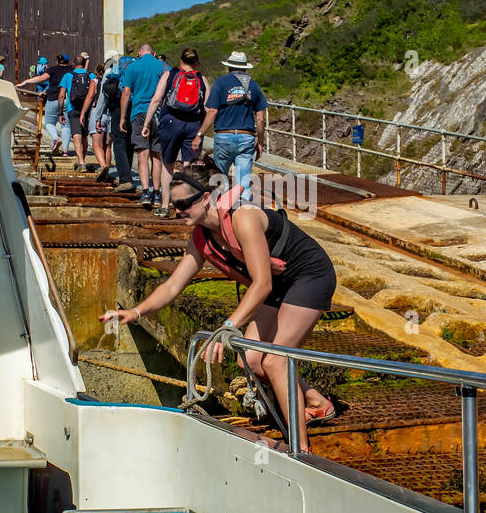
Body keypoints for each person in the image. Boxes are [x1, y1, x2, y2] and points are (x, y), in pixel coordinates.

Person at [100, 159, 337, 451]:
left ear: (205, 197)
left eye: (184, 203)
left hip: (308, 275)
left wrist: (229, 326)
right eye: (174, 204)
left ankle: (301, 451)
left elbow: (261, 284)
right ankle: (317, 402)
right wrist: (135, 312)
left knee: (275, 360)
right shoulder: (202, 239)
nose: (178, 210)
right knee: (249, 360)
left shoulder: (243, 218)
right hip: (278, 285)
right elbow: (174, 285)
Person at [194, 50, 267, 202]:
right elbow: (260, 118)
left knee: (221, 181)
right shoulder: (254, 86)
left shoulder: (221, 83)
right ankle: (242, 216)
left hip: (224, 137)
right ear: (246, 69)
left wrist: (200, 134)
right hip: (246, 137)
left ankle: (222, 218)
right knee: (244, 184)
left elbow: (212, 111)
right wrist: (260, 142)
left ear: (229, 68)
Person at [145, 47, 207, 217]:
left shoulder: (170, 74)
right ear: (196, 62)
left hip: (171, 122)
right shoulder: (201, 79)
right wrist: (202, 131)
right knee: (190, 166)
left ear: (180, 60)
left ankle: (165, 206)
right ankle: (186, 207)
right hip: (194, 124)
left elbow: (156, 99)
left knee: (167, 164)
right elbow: (207, 107)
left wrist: (146, 123)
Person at [119, 44, 169, 208]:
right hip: (159, 114)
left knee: (142, 154)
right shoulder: (163, 66)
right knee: (157, 156)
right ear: (154, 53)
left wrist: (122, 117)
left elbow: (126, 93)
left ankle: (145, 193)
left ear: (139, 53)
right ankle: (157, 193)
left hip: (139, 113)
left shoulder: (132, 67)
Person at [16, 53, 72, 152]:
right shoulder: (71, 70)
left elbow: (40, 78)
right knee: (66, 126)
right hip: (67, 100)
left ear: (57, 61)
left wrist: (26, 82)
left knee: (49, 123)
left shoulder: (53, 69)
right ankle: (65, 151)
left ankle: (56, 138)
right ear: (68, 62)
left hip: (53, 98)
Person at [103, 54, 136, 190]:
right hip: (135, 108)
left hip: (118, 108)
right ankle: (128, 174)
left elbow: (104, 95)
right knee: (129, 142)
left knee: (118, 142)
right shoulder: (135, 70)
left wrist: (99, 116)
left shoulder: (114, 71)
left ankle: (125, 179)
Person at [59, 56, 98, 170]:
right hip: (86, 110)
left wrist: (60, 112)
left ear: (73, 63)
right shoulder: (91, 75)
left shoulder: (68, 75)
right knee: (84, 136)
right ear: (85, 63)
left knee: (76, 135)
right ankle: (83, 160)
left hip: (73, 108)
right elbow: (96, 90)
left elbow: (61, 95)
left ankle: (81, 162)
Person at [84, 53, 111, 179]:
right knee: (107, 145)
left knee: (96, 144)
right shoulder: (112, 80)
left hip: (98, 112)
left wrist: (83, 113)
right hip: (110, 114)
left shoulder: (95, 81)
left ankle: (103, 166)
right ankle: (107, 169)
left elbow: (90, 97)